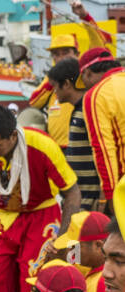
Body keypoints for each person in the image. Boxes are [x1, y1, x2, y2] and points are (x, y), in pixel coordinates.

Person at [0, 104, 80, 292]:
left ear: (13, 136)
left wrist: (63, 237)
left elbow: (71, 193)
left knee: (35, 276)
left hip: (40, 214)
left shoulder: (43, 145)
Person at [48, 58, 99, 211]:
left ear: (67, 84)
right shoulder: (79, 109)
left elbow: (100, 151)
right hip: (82, 196)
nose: (54, 92)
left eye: (55, 86)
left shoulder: (87, 109)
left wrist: (102, 198)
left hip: (91, 198)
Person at [80, 49, 125, 209]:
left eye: (83, 79)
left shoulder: (96, 95)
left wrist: (111, 197)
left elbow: (104, 149)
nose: (84, 86)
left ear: (88, 73)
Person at [53, 210, 110, 292]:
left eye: (74, 247)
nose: (71, 252)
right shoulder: (93, 266)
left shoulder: (103, 284)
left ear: (98, 245)